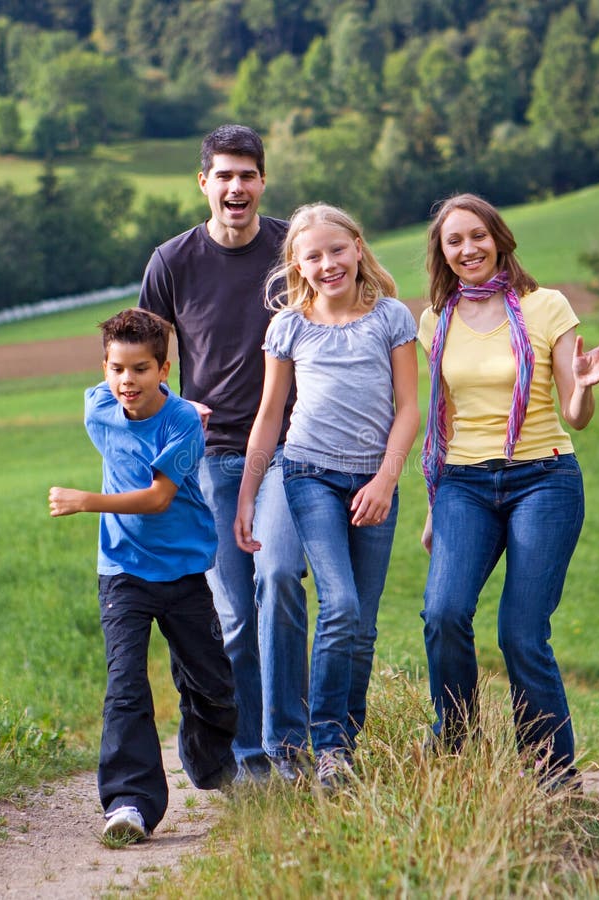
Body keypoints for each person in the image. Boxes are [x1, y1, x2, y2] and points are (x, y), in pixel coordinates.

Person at [418, 193, 599, 788]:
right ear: (442, 252)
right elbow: (442, 422)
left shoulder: (546, 307)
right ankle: (456, 747)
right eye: (453, 241)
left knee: (519, 631)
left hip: (544, 476)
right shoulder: (435, 320)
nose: (467, 249)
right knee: (444, 612)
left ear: (499, 238)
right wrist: (437, 506)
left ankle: (550, 772)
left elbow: (574, 413)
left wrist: (583, 386)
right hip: (463, 483)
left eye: (477, 236)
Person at [138, 125, 308, 781]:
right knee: (233, 618)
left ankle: (292, 747)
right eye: (224, 175)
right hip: (208, 460)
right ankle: (247, 753)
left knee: (280, 582)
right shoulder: (172, 261)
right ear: (203, 182)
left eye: (248, 174)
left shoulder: (292, 248)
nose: (236, 187)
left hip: (289, 454)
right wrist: (170, 414)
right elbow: (142, 360)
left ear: (263, 181)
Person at [234, 203, 419, 789]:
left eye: (337, 250)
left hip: (373, 480)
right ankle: (328, 747)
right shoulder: (289, 326)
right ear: (297, 264)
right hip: (308, 474)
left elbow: (409, 407)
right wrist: (246, 497)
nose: (328, 263)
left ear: (358, 248)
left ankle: (345, 746)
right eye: (312, 255)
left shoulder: (391, 317)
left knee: (360, 625)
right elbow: (269, 417)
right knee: (338, 604)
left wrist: (386, 479)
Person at [48, 308, 237, 842]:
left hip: (182, 574)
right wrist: (124, 372)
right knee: (125, 684)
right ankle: (129, 802)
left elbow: (157, 498)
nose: (126, 381)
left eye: (140, 369)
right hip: (123, 573)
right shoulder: (97, 405)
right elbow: (111, 385)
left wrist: (89, 501)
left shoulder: (181, 425)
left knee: (213, 685)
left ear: (164, 369)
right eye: (116, 369)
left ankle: (212, 766)